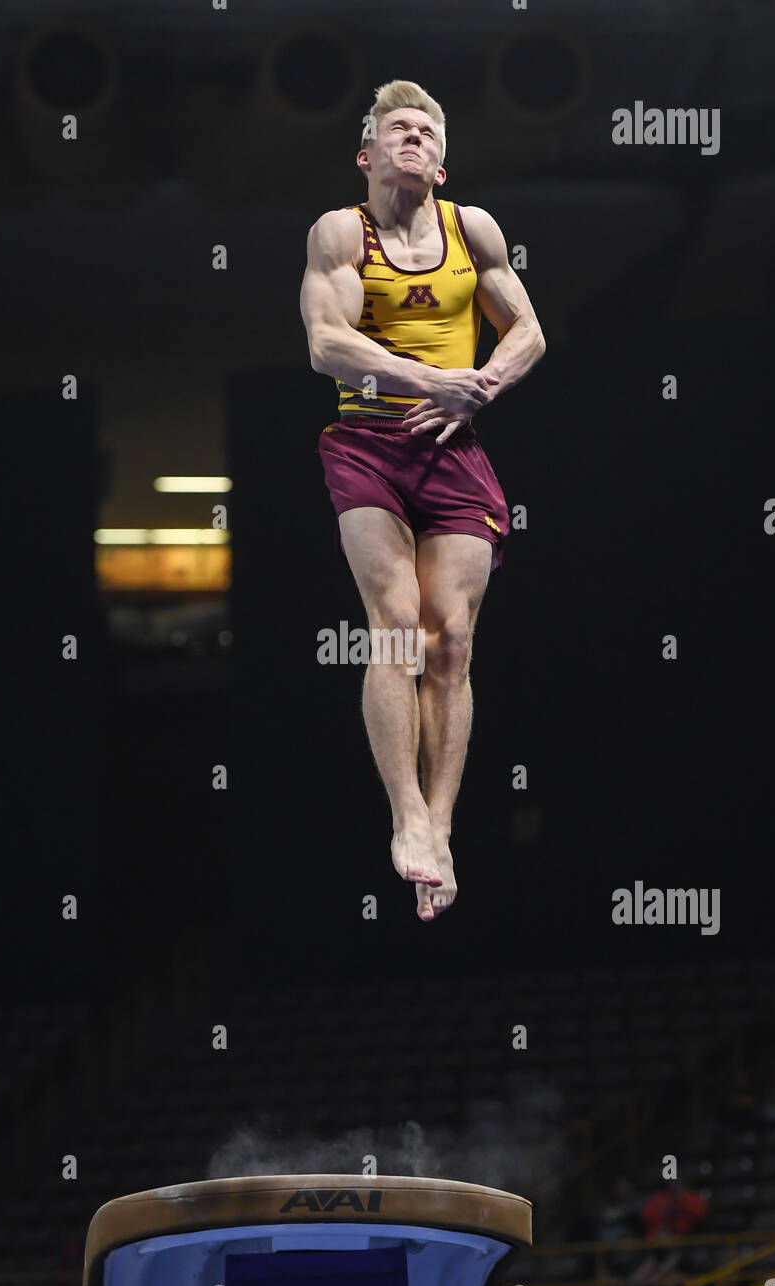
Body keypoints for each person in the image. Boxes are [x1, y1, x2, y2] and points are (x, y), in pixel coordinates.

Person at [300, 79, 545, 921]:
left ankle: (438, 829)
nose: (414, 137)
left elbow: (529, 331)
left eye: (427, 131)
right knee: (398, 624)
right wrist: (433, 378)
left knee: (453, 642)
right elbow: (328, 345)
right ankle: (403, 809)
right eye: (397, 128)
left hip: (454, 449)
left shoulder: (471, 229)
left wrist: (481, 388)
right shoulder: (341, 231)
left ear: (442, 163)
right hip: (368, 443)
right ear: (366, 156)